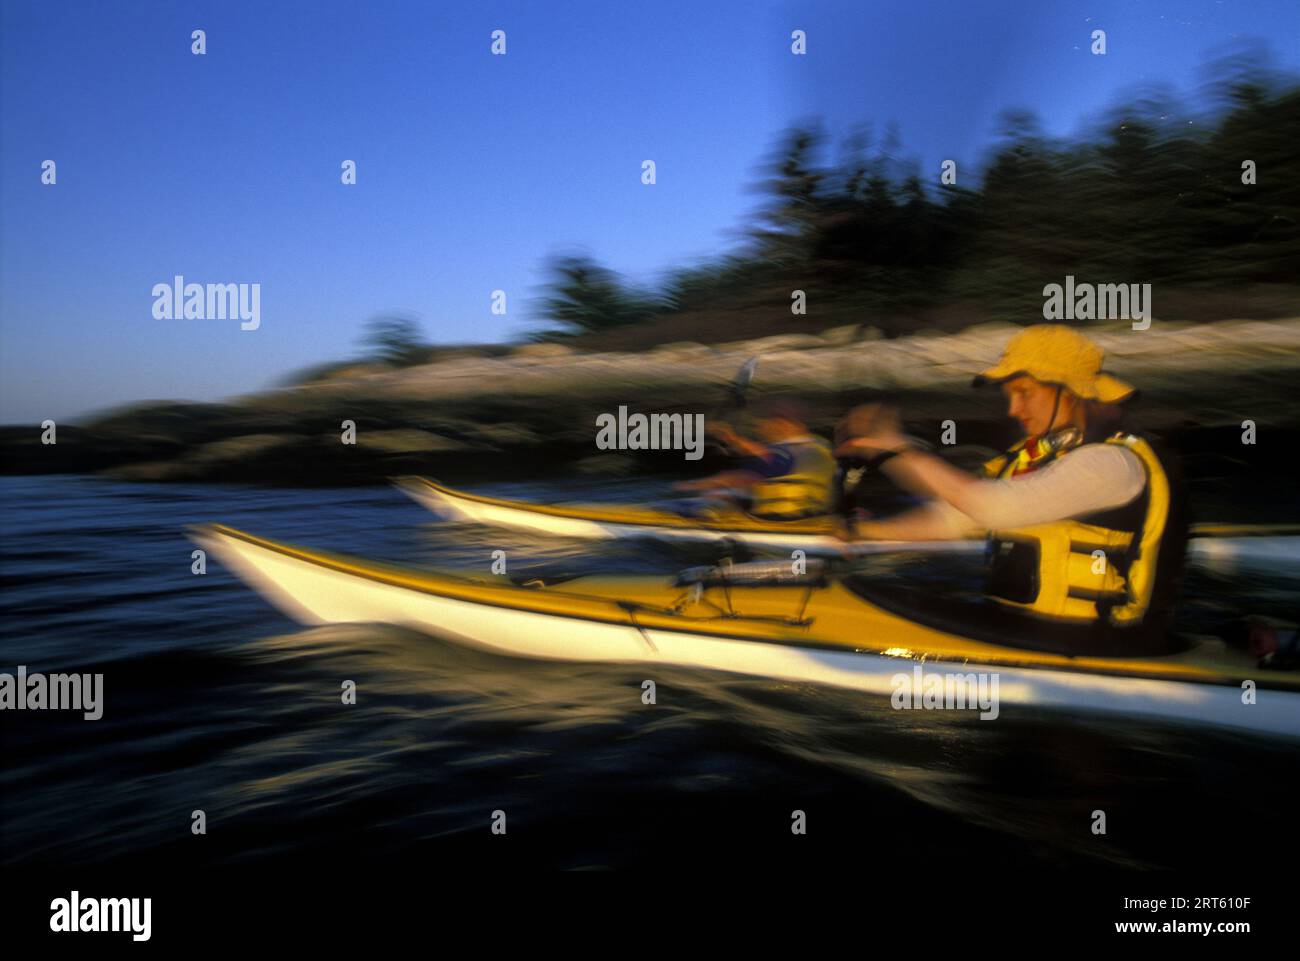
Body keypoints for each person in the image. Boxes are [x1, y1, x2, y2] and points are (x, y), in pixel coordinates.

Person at [835, 324, 1188, 652]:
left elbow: (992, 507)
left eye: (1023, 393)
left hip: (1100, 642)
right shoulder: (1041, 455)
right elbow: (957, 520)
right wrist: (861, 531)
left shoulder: (1110, 464)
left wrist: (897, 449)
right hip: (1031, 626)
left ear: (1071, 392)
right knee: (881, 594)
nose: (1013, 409)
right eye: (1009, 396)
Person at [674, 399, 837, 520]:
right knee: (730, 495)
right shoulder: (820, 446)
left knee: (714, 497)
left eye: (763, 424)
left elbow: (763, 464)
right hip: (816, 515)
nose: (759, 429)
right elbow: (767, 461)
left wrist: (693, 485)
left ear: (782, 424)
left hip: (781, 518)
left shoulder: (784, 453)